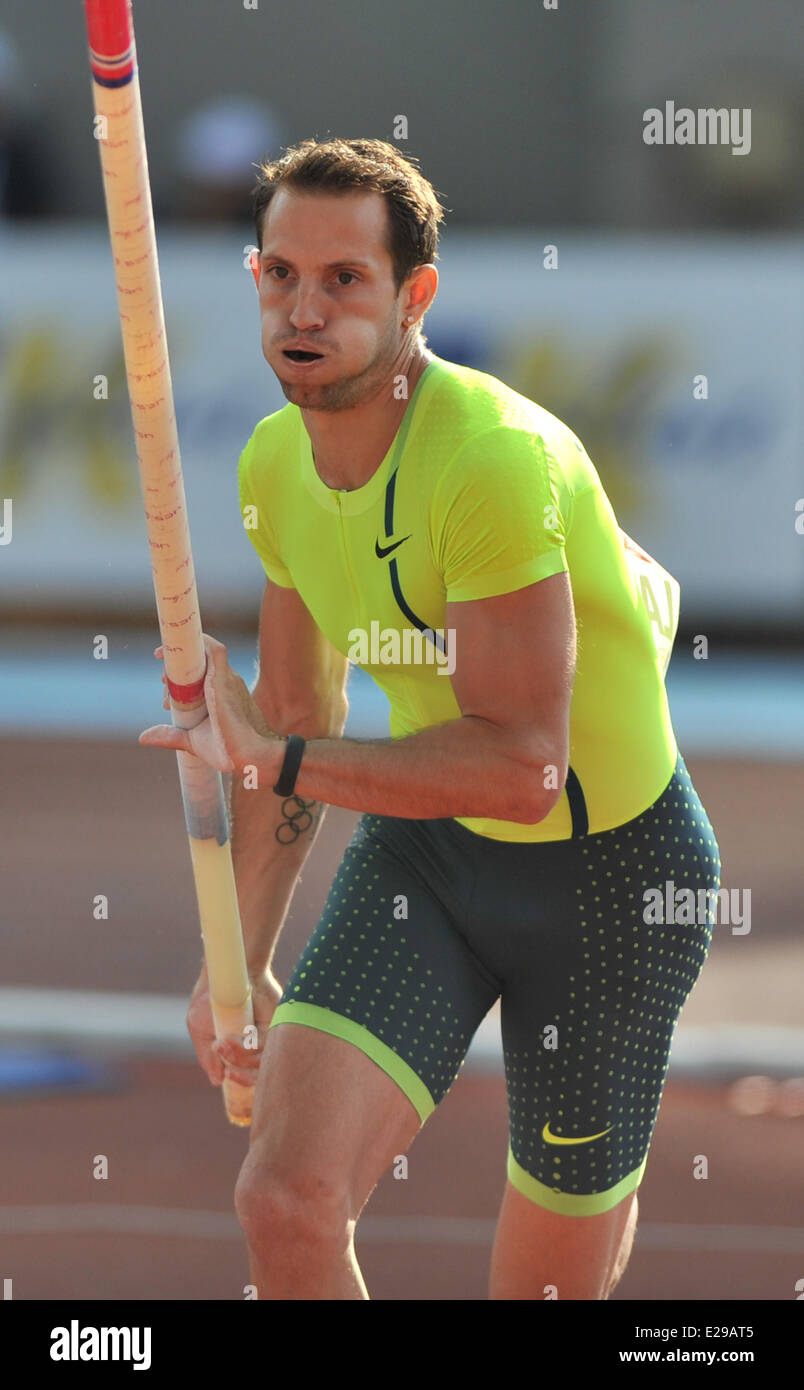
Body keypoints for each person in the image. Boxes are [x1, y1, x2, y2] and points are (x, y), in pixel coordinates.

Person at [139, 137, 721, 1301]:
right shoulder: (272, 465)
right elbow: (297, 712)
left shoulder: (490, 462)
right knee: (284, 1201)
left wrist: (282, 750)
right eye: (280, 275)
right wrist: (240, 962)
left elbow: (521, 771)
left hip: (608, 888)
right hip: (432, 860)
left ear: (416, 297)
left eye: (345, 279)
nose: (305, 309)